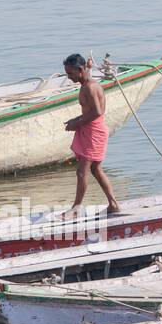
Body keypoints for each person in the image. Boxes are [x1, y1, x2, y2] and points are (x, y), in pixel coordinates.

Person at [63, 53, 121, 216]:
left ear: (80, 70)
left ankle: (76, 209)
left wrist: (77, 123)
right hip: (90, 129)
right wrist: (76, 119)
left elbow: (97, 111)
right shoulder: (86, 85)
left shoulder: (90, 87)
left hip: (94, 132)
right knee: (95, 169)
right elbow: (91, 111)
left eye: (70, 73)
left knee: (82, 172)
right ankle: (113, 204)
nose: (69, 77)